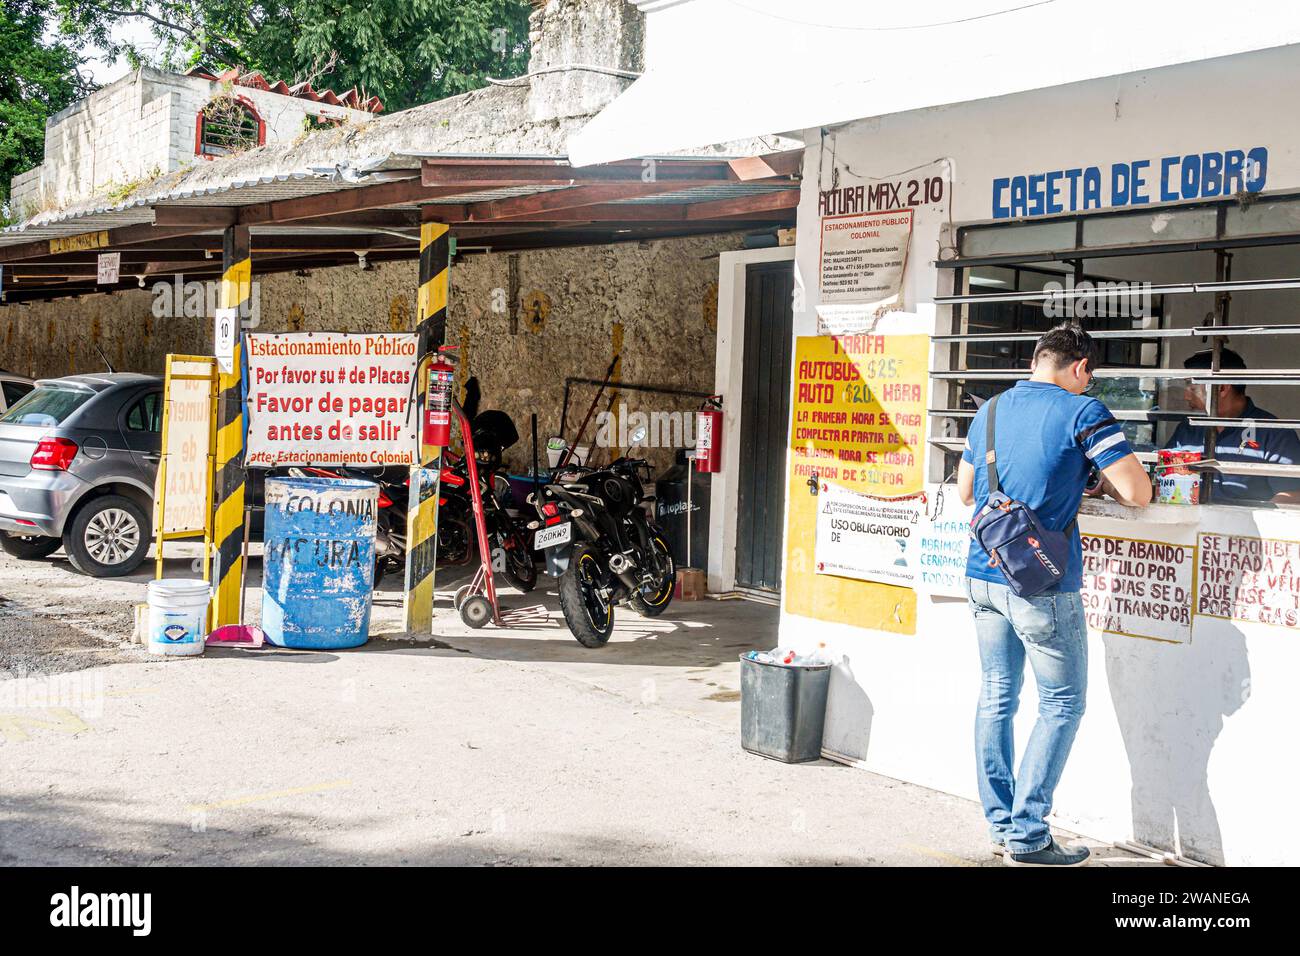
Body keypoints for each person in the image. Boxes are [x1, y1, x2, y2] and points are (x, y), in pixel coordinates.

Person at [956, 323, 1152, 867]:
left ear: (1038, 359)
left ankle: (1002, 826)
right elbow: (1138, 492)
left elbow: (967, 490)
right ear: (1081, 368)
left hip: (982, 573)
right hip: (1041, 585)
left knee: (997, 695)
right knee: (1062, 703)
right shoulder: (1084, 412)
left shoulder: (990, 410)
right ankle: (1027, 835)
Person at [1165, 348, 1300, 504]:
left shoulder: (1273, 432)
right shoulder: (1188, 428)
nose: (1186, 396)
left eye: (1192, 387)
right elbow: (1167, 476)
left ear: (1221, 388)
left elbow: (1292, 494)